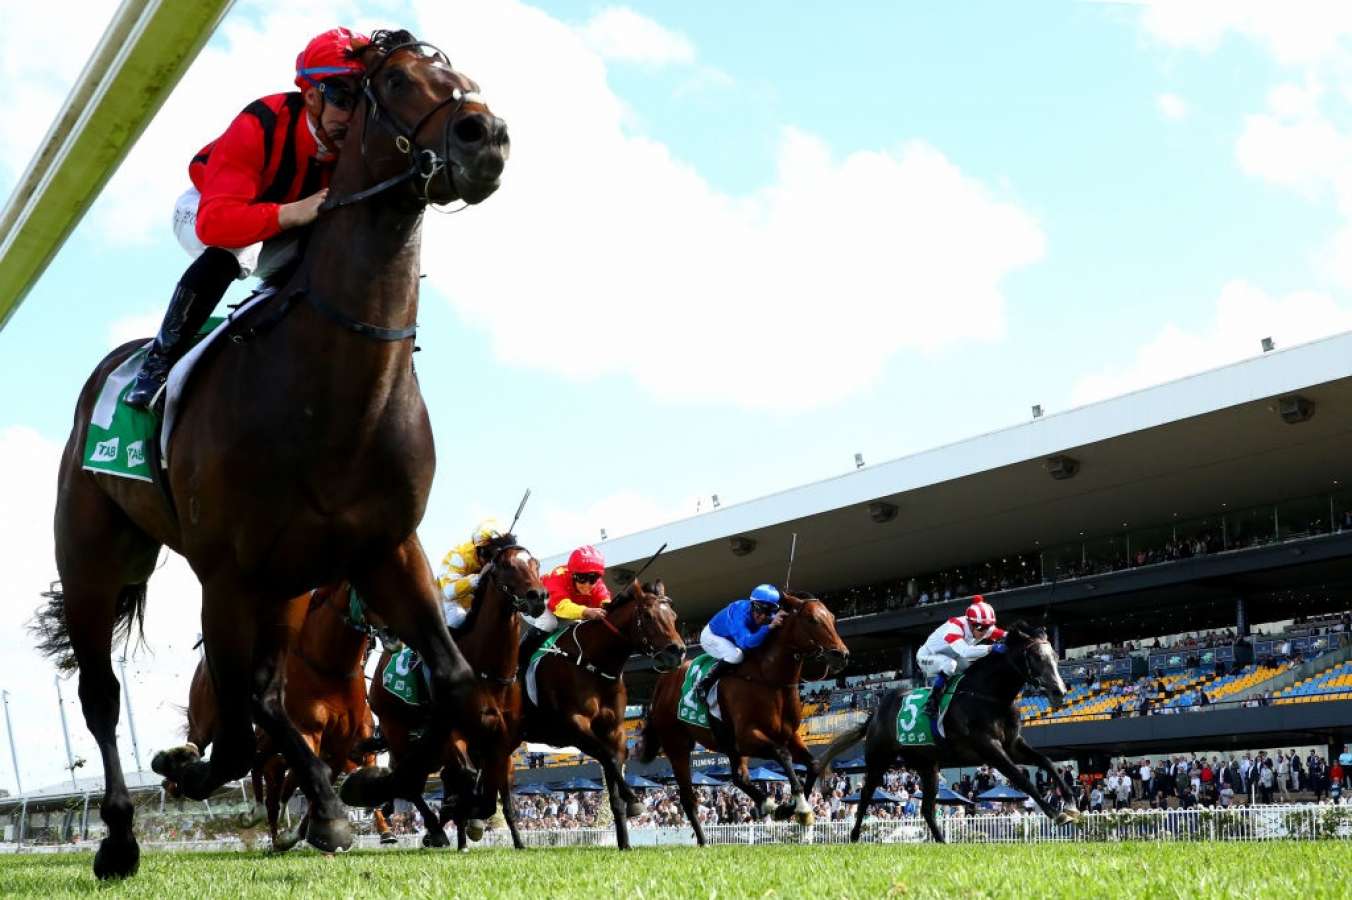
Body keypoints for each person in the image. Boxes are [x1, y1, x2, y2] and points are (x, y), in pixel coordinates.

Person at [125, 27, 369, 408]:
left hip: (284, 224)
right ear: (310, 97)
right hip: (207, 210)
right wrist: (290, 213)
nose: (352, 117)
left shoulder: (358, 144)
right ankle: (159, 363)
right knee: (232, 250)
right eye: (342, 97)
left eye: (363, 101)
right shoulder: (261, 122)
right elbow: (215, 223)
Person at [915, 596, 1006, 720]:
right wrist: (991, 648)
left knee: (972, 667)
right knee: (950, 664)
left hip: (951, 656)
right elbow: (965, 652)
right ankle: (932, 701)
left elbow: (1004, 634)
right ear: (970, 623)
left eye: (988, 627)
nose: (984, 632)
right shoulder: (954, 628)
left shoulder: (980, 625)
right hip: (927, 657)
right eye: (981, 628)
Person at [695, 585, 786, 698]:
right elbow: (746, 643)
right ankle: (704, 684)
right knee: (736, 656)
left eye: (768, 612)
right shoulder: (739, 613)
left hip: (733, 638)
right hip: (713, 636)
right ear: (752, 604)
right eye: (759, 611)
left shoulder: (763, 612)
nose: (762, 617)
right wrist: (768, 627)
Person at [520, 545, 612, 658]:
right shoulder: (558, 578)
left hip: (560, 610)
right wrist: (586, 611)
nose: (587, 585)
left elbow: (606, 601)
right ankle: (520, 657)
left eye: (592, 579)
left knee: (579, 624)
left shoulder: (597, 584)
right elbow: (561, 607)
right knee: (549, 622)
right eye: (582, 578)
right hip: (535, 603)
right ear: (573, 574)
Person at [436, 519, 505, 630]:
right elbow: (449, 591)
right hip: (447, 601)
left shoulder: (494, 560)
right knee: (457, 619)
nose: (491, 559)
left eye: (496, 552)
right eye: (488, 553)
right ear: (479, 549)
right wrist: (479, 577)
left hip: (472, 602)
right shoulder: (458, 556)